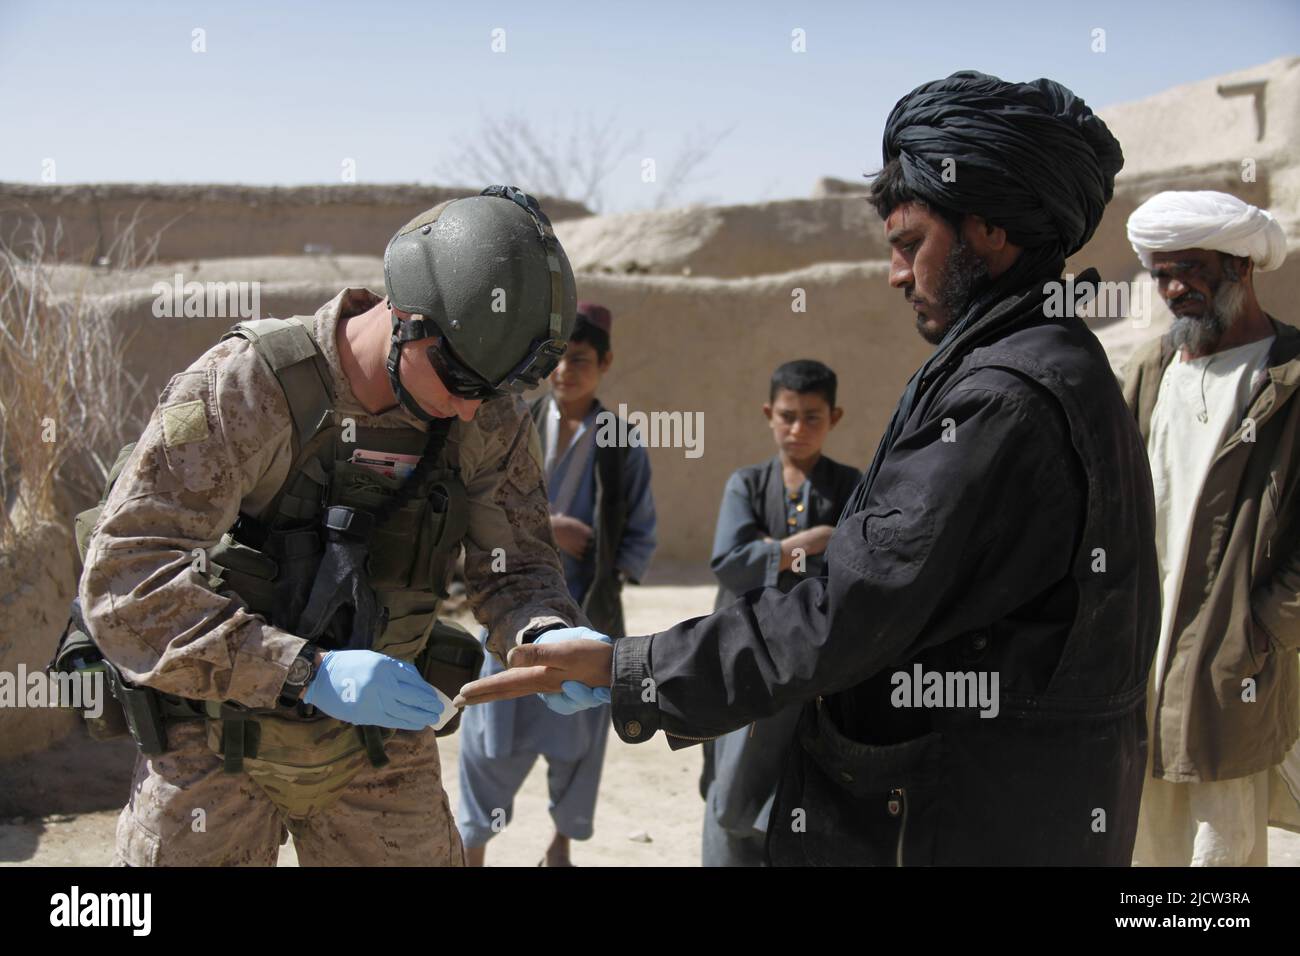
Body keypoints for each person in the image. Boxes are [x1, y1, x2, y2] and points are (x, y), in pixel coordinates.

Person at [457, 71, 1162, 866]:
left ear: (992, 229)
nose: (896, 275)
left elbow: (846, 611)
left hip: (961, 818)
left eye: (909, 245)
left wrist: (635, 667)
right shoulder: (1053, 364)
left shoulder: (1003, 399)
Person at [77, 186, 585, 866]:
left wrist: (546, 633)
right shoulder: (251, 387)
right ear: (405, 318)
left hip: (380, 744)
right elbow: (125, 582)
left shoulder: (485, 405)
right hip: (216, 737)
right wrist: (304, 670)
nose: (469, 414)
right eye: (459, 384)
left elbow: (517, 569)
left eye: (487, 395)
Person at [1122, 190, 1300, 866]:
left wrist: (1263, 629)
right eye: (1161, 273)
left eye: (1191, 269)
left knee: (1217, 856)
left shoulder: (1288, 376)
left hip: (1230, 671)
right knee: (1140, 848)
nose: (1173, 288)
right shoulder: (1151, 370)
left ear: (1240, 267)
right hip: (1139, 662)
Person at [456, 301, 656, 866]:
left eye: (581, 359)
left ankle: (560, 846)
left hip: (586, 611)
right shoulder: (515, 423)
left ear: (605, 363)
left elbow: (641, 531)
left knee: (579, 737)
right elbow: (484, 503)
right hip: (512, 607)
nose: (567, 371)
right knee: (489, 733)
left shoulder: (621, 442)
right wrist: (547, 531)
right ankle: (474, 849)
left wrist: (602, 558)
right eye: (559, 360)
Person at [700, 359, 859, 865]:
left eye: (812, 417)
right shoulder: (745, 485)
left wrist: (769, 549)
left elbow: (856, 560)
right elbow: (730, 564)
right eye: (787, 416)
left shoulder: (850, 486)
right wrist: (803, 546)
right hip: (744, 656)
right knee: (733, 787)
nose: (797, 429)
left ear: (834, 418)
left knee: (803, 787)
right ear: (769, 414)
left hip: (814, 664)